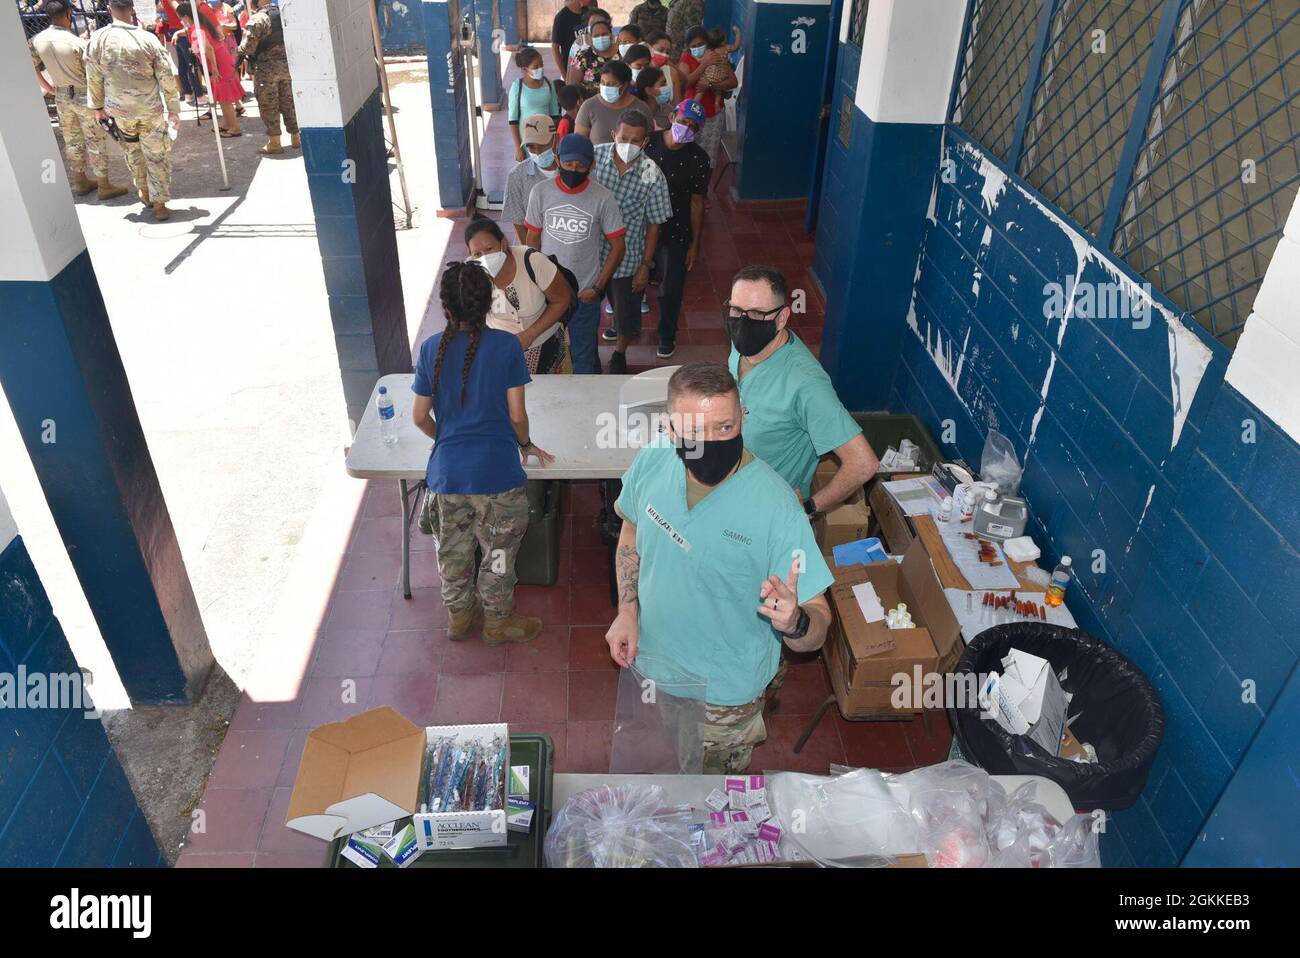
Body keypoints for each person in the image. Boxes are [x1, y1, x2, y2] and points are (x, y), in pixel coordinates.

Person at [605, 362, 833, 773]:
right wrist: (627, 610)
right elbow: (630, 532)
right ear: (670, 429)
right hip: (651, 668)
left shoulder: (776, 507)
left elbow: (818, 628)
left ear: (742, 417)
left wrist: (795, 622)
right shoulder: (654, 460)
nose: (711, 442)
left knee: (708, 803)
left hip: (722, 698)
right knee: (658, 778)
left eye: (725, 428)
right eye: (695, 430)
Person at [411, 263, 556, 645]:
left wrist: (447, 438)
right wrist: (524, 444)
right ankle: (497, 621)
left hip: (447, 476)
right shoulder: (506, 346)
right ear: (488, 301)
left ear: (446, 307)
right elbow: (517, 415)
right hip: (497, 475)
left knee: (453, 554)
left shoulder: (430, 349)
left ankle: (458, 618)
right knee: (498, 554)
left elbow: (419, 417)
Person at [725, 266, 880, 510]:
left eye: (756, 314)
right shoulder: (742, 344)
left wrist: (808, 507)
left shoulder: (806, 384)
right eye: (736, 309)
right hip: (730, 480)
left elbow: (863, 463)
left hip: (764, 504)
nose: (743, 322)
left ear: (782, 318)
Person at [524, 134, 625, 375]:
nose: (574, 170)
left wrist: (598, 289)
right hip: (549, 291)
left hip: (584, 294)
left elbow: (618, 247)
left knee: (584, 357)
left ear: (592, 165)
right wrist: (535, 282)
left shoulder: (603, 197)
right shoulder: (541, 192)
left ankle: (585, 405)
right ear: (558, 160)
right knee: (546, 352)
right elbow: (532, 239)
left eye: (581, 165)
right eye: (568, 164)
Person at [591, 111, 671, 374]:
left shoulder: (652, 173)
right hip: (589, 257)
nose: (628, 145)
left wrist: (645, 266)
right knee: (585, 314)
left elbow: (654, 224)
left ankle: (619, 354)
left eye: (635, 141)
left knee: (626, 317)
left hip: (627, 261)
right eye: (624, 138)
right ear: (614, 135)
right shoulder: (594, 158)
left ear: (645, 142)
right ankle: (587, 355)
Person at [87, 0, 181, 221]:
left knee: (132, 151)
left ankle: (145, 191)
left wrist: (98, 108)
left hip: (120, 113)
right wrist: (173, 109)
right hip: (150, 111)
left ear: (110, 8)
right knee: (156, 155)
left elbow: (93, 77)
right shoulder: (147, 39)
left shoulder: (98, 39)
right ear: (132, 9)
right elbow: (166, 77)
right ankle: (159, 204)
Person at [28, 0, 129, 202]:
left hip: (61, 95)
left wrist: (48, 88)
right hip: (84, 96)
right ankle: (104, 185)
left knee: (71, 138)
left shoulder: (37, 40)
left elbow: (32, 66)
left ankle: (81, 180)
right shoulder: (77, 43)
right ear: (68, 15)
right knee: (95, 139)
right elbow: (95, 74)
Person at [466, 218, 574, 375]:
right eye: (477, 254)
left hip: (547, 346)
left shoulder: (533, 261)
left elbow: (562, 299)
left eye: (489, 249)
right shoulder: (471, 274)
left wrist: (529, 334)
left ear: (503, 243)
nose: (484, 257)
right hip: (501, 352)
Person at [644, 100, 709, 359]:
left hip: (676, 227)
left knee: (671, 286)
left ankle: (666, 335)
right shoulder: (648, 142)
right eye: (683, 121)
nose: (686, 128)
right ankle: (624, 326)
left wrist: (695, 243)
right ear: (672, 117)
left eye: (693, 126)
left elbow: (696, 201)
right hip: (640, 223)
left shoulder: (699, 159)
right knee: (628, 277)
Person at [236, 0, 298, 155]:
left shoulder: (259, 18)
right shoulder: (285, 13)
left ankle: (275, 143)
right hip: (287, 66)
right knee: (289, 102)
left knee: (268, 104)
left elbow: (248, 47)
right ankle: (296, 138)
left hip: (266, 69)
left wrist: (239, 49)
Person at [177, 1, 244, 136]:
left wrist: (214, 69)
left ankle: (234, 128)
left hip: (219, 64)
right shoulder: (199, 25)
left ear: (185, 17)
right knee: (221, 97)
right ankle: (227, 124)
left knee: (225, 99)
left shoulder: (197, 30)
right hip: (221, 61)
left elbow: (208, 48)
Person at [680, 26, 739, 167]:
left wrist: (711, 86)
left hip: (713, 113)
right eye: (693, 46)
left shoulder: (716, 54)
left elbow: (733, 82)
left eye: (700, 44)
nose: (697, 47)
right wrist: (705, 63)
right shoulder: (686, 58)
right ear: (688, 47)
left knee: (708, 156)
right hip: (691, 114)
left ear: (707, 42)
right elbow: (686, 83)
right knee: (687, 151)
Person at [501, 114, 559, 243]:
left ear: (556, 139)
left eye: (543, 145)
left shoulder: (570, 170)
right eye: (531, 146)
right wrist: (531, 255)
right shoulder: (516, 176)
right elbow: (517, 221)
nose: (537, 152)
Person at [575, 61, 655, 145]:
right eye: (602, 82)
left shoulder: (641, 108)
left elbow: (648, 142)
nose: (605, 87)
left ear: (625, 85)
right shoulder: (589, 106)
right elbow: (579, 144)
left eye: (611, 84)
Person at [507, 48, 560, 163]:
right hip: (527, 140)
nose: (540, 69)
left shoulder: (549, 85)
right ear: (525, 69)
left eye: (541, 65)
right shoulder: (518, 86)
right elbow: (513, 120)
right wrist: (518, 147)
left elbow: (555, 115)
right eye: (535, 67)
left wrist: (555, 141)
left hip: (547, 138)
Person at [566, 15, 616, 96]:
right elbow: (571, 86)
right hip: (589, 104)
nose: (601, 38)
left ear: (610, 35)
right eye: (596, 36)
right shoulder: (582, 56)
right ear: (590, 37)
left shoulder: (620, 53)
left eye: (604, 34)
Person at [550, 0, 585, 76]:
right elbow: (555, 48)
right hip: (572, 69)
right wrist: (564, 75)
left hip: (589, 68)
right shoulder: (561, 17)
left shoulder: (588, 12)